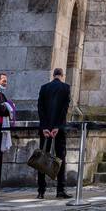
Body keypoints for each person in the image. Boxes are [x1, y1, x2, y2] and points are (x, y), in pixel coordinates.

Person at [36, 68, 71, 199]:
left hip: (45, 129)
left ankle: (41, 190)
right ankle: (60, 189)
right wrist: (57, 126)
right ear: (62, 75)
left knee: (42, 158)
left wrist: (45, 127)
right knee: (61, 157)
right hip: (59, 129)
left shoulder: (44, 87)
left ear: (53, 75)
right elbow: (64, 109)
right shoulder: (65, 88)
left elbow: (40, 107)